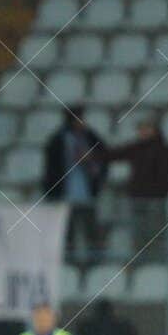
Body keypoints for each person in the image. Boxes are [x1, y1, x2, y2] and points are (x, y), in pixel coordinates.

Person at [42, 108, 107, 265]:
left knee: (90, 230)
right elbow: (50, 169)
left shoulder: (91, 138)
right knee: (67, 233)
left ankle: (95, 263)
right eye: (78, 119)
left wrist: (94, 169)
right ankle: (68, 264)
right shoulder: (57, 141)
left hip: (87, 194)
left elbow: (104, 158)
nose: (81, 122)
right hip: (65, 195)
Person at [107, 117, 168, 255]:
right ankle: (141, 262)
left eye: (146, 128)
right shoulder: (136, 148)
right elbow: (113, 154)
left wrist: (161, 192)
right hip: (137, 197)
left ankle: (155, 262)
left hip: (155, 199)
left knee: (155, 233)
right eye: (141, 129)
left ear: (155, 130)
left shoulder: (164, 150)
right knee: (138, 233)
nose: (142, 132)